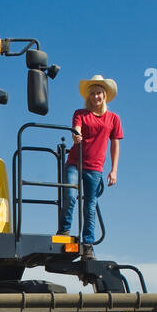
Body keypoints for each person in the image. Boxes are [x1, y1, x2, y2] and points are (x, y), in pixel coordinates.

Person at [58, 75, 123, 259]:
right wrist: (76, 135)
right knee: (70, 195)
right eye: (93, 93)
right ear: (89, 97)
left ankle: (88, 244)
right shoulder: (80, 113)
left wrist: (114, 170)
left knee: (90, 205)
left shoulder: (113, 119)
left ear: (105, 96)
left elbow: (115, 145)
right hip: (75, 162)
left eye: (99, 93)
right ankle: (64, 231)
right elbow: (76, 128)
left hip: (95, 168)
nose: (96, 97)